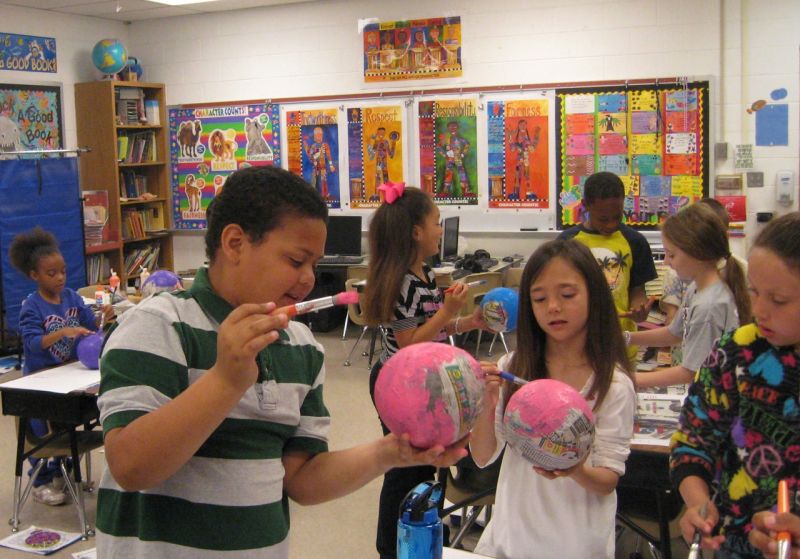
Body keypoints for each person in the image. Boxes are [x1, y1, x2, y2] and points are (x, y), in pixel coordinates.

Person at [95, 167, 467, 558]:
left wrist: (390, 453)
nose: (308, 279)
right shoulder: (157, 325)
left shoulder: (302, 347)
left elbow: (301, 481)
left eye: (315, 264)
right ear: (235, 243)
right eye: (295, 260)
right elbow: (130, 467)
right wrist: (225, 380)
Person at [470, 239, 636, 558]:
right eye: (540, 298)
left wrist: (572, 467)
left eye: (568, 295)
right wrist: (486, 402)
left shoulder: (612, 384)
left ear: (593, 295)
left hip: (575, 543)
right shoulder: (513, 368)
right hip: (512, 538)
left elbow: (607, 480)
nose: (553, 307)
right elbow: (482, 457)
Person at [362, 183, 486, 559]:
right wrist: (447, 314)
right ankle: (391, 546)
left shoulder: (425, 276)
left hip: (421, 386)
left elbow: (434, 332)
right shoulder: (402, 281)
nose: (440, 229)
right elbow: (410, 346)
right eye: (435, 222)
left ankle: (417, 534)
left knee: (421, 467)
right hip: (399, 386)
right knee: (404, 468)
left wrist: (469, 322)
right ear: (416, 231)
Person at [670, 212, 800, 558]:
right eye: (755, 292)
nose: (759, 310)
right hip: (735, 546)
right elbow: (692, 443)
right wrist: (698, 503)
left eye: (779, 300)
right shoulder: (737, 351)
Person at [9, 227, 112, 506]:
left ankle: (61, 472)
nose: (60, 278)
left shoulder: (72, 298)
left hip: (68, 376)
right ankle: (41, 481)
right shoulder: (31, 307)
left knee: (72, 424)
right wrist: (62, 332)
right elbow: (31, 344)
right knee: (41, 434)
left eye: (63, 271)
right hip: (40, 381)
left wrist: (103, 317)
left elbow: (90, 328)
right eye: (51, 273)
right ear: (34, 276)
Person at [627, 203, 751, 388]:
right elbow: (674, 333)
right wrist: (626, 338)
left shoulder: (709, 305)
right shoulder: (696, 287)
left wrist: (626, 381)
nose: (667, 262)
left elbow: (690, 372)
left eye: (671, 255)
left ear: (697, 253)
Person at [557, 171, 658, 355]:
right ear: (586, 206)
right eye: (603, 218)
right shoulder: (566, 242)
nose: (611, 224)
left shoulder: (635, 241)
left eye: (617, 217)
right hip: (577, 344)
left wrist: (639, 309)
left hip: (620, 344)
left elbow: (637, 290)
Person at [436, 121, 474, 198]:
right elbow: (438, 146)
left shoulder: (460, 138)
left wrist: (463, 154)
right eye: (451, 127)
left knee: (462, 174)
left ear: (457, 128)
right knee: (448, 174)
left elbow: (467, 144)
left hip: (458, 159)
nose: (453, 128)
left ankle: (465, 191)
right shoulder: (446, 139)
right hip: (449, 159)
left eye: (454, 126)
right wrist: (445, 155)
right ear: (448, 128)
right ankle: (445, 192)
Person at [303, 125, 335, 199]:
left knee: (323, 180)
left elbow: (329, 155)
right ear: (314, 136)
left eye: (320, 134)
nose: (318, 136)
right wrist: (306, 147)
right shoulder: (313, 146)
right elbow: (310, 155)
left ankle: (325, 194)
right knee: (314, 180)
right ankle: (313, 194)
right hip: (315, 167)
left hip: (323, 166)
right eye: (316, 134)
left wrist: (331, 165)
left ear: (322, 135)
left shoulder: (325, 145)